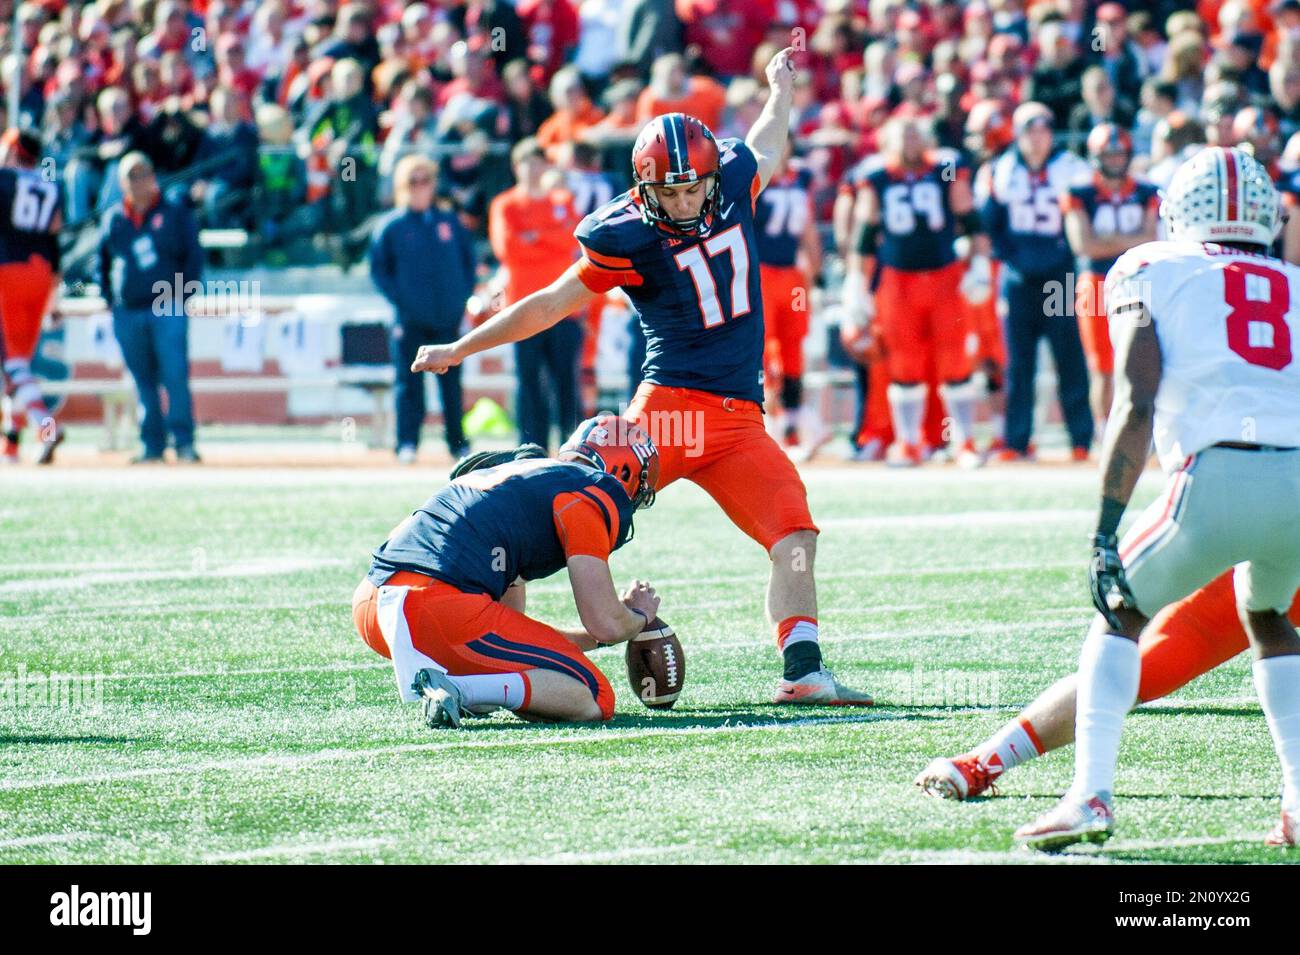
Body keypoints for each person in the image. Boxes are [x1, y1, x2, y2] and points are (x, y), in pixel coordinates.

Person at [412, 49, 873, 706]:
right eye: (670, 191)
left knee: (794, 536)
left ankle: (801, 671)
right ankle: (478, 611)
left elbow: (767, 145)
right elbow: (549, 302)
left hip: (742, 418)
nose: (684, 202)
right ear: (643, 187)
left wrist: (781, 92)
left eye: (693, 188)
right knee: (569, 500)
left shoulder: (734, 173)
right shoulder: (624, 233)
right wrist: (462, 346)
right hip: (670, 409)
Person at [1014, 147, 1300, 851]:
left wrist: (1105, 526)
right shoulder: (1293, 280)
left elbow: (1135, 403)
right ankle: (1297, 798)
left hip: (1216, 477)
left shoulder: (1151, 265)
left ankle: (1089, 795)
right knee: (1269, 617)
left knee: (1118, 613)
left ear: (1178, 210)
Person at [351, 415, 660, 726]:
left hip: (372, 605)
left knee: (518, 674)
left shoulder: (517, 476)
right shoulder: (589, 490)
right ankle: (460, 691)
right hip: (432, 607)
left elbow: (510, 631)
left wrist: (599, 640)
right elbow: (604, 621)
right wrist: (638, 616)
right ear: (626, 470)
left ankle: (467, 688)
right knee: (595, 696)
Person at [845, 116, 991, 468]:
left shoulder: (945, 168)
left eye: (914, 134)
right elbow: (864, 234)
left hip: (944, 275)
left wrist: (981, 264)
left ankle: (964, 442)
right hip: (898, 281)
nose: (910, 141)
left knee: (956, 360)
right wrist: (855, 282)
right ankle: (908, 442)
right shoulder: (877, 178)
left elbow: (970, 217)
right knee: (903, 363)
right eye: (902, 135)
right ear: (887, 142)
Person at [977, 101, 1095, 461]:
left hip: (1058, 273)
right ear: (1017, 133)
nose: (1037, 137)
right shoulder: (999, 170)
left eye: (1043, 129)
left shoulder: (1071, 168)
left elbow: (1088, 212)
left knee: (1068, 356)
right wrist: (993, 262)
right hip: (1018, 275)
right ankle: (1016, 440)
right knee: (1019, 362)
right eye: (1030, 129)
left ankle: (1080, 439)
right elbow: (988, 224)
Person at [98, 152, 203, 463]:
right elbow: (101, 263)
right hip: (128, 309)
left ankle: (183, 441)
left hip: (167, 305)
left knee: (174, 376)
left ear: (154, 176)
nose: (139, 181)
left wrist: (183, 295)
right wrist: (110, 298)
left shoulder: (174, 213)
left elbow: (193, 256)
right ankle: (152, 444)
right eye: (132, 175)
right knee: (142, 381)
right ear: (122, 182)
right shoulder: (115, 218)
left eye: (144, 174)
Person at [369, 154, 474, 463]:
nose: (419, 187)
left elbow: (468, 264)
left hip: (447, 320)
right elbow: (379, 271)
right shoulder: (391, 227)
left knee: (452, 385)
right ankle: (406, 443)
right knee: (409, 385)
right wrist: (403, 302)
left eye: (425, 180)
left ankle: (458, 443)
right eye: (412, 181)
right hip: (410, 321)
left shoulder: (448, 222)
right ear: (402, 186)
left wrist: (459, 300)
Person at [1061, 124, 1159, 429]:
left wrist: (1108, 242)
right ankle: (1104, 432)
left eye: (1120, 154)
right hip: (1095, 283)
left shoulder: (1146, 191)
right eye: (1109, 154)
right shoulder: (1079, 192)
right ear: (1095, 156)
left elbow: (1151, 239)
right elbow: (1083, 245)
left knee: (1141, 361)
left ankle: (1141, 432)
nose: (1115, 160)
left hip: (1137, 281)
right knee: (1102, 367)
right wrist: (1131, 240)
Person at [488, 137, 584, 449]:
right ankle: (531, 447)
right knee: (529, 382)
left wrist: (534, 237)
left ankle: (573, 446)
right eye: (527, 164)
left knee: (566, 383)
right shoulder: (506, 204)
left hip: (564, 306)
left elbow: (572, 240)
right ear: (516, 168)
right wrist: (548, 240)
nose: (533, 170)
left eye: (538, 163)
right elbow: (508, 249)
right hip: (524, 307)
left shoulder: (561, 200)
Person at [753, 139, 821, 454]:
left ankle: (793, 421)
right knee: (763, 347)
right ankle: (771, 420)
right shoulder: (756, 178)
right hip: (762, 272)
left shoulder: (801, 179)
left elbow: (807, 228)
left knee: (794, 345)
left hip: (793, 274)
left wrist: (815, 271)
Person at [0, 128, 63, 464]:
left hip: (7, 271)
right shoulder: (51, 184)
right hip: (40, 275)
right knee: (19, 365)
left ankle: (47, 427)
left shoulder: (4, 179)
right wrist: (55, 296)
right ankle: (10, 444)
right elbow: (55, 241)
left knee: (11, 365)